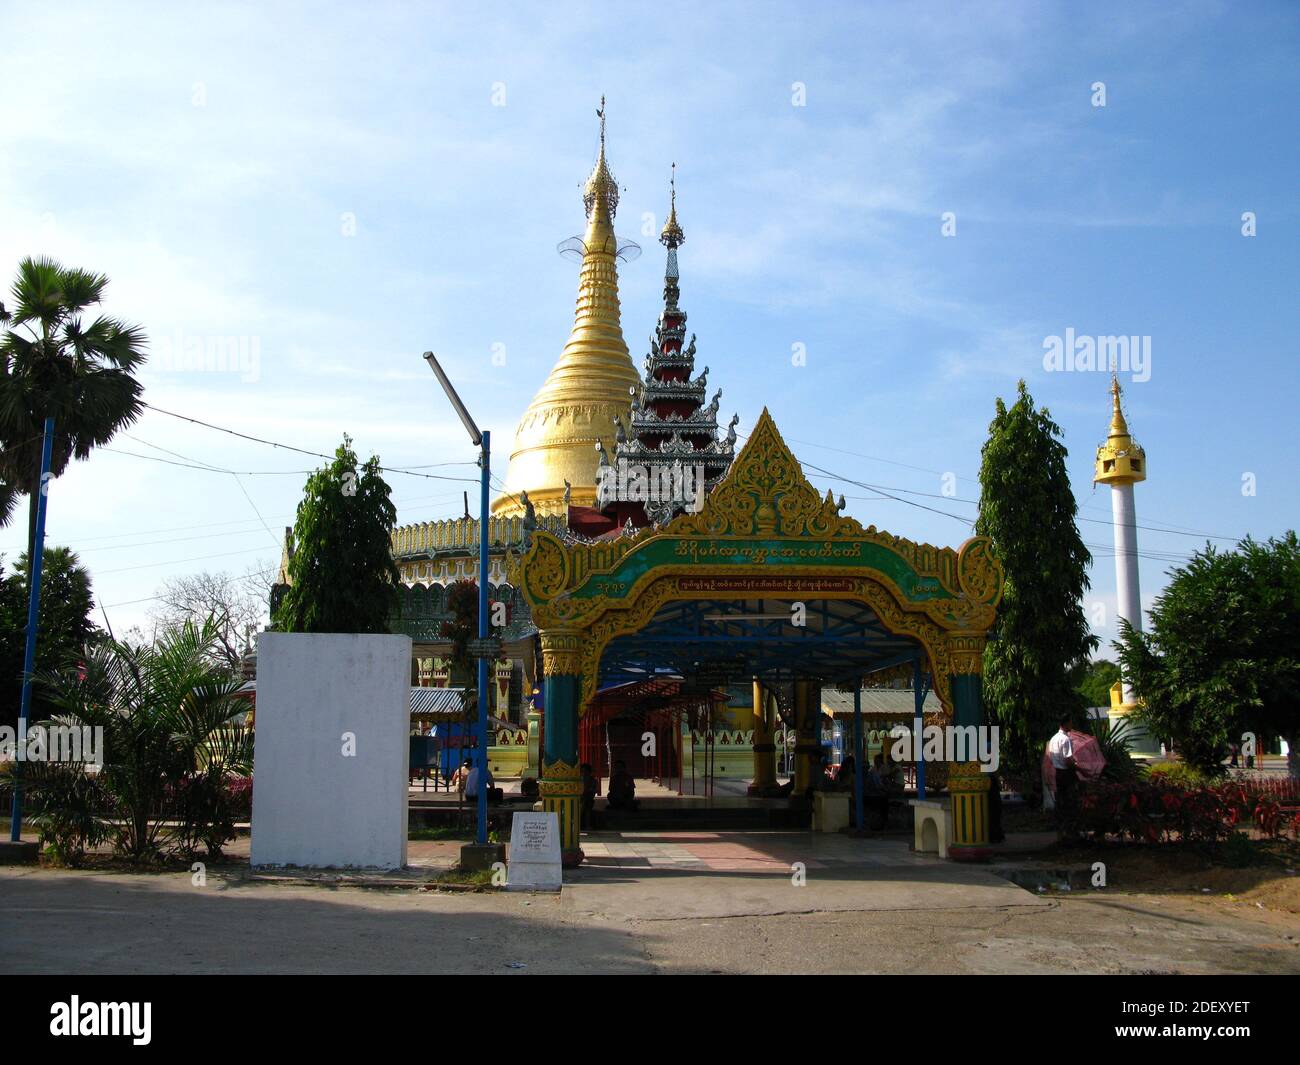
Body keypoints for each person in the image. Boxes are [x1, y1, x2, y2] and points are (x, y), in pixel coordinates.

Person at [1048, 717, 1078, 835]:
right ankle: (1070, 829)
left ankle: (1061, 829)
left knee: (1060, 801)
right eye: (1071, 722)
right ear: (1066, 723)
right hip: (1066, 773)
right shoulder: (1065, 739)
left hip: (1058, 772)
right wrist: (1077, 766)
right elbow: (1068, 760)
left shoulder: (1053, 739)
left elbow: (1051, 757)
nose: (1072, 724)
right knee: (1070, 802)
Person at [580, 762, 599, 827]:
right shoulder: (578, 780)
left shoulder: (594, 781)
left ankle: (587, 825)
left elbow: (593, 791)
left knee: (586, 805)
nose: (584, 773)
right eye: (582, 771)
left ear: (589, 772)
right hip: (579, 799)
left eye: (586, 771)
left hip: (588, 799)